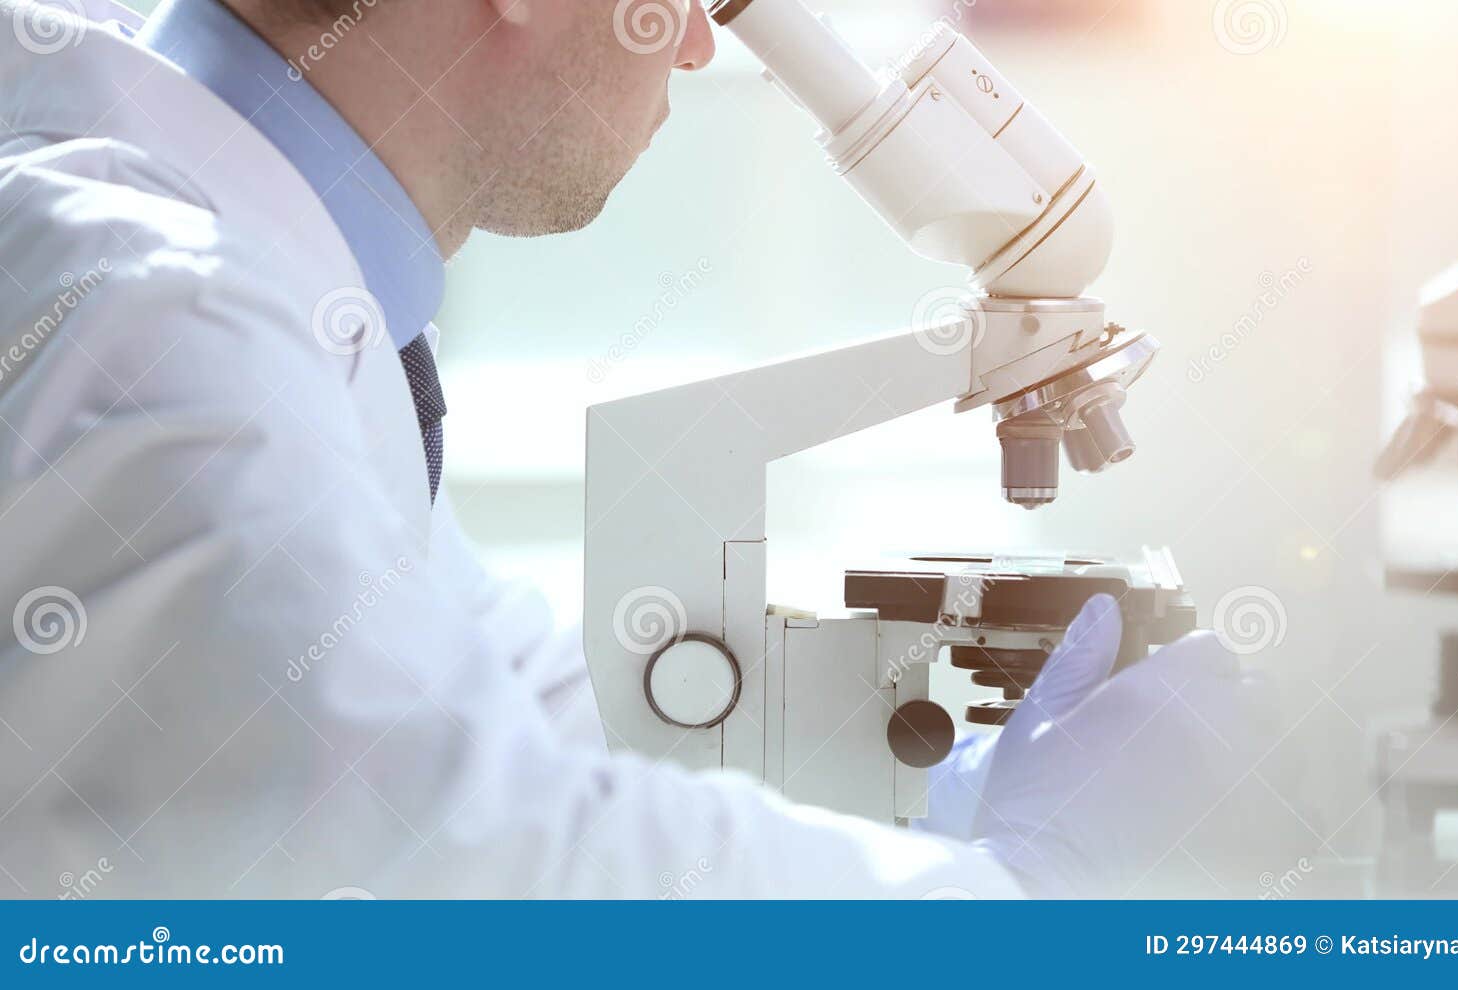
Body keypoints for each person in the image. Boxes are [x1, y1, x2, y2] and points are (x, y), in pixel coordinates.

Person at [0, 0, 1284, 898]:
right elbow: (438, 863)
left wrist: (930, 823)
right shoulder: (158, 319)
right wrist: (1012, 903)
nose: (683, 38)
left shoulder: (267, 282)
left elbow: (515, 715)